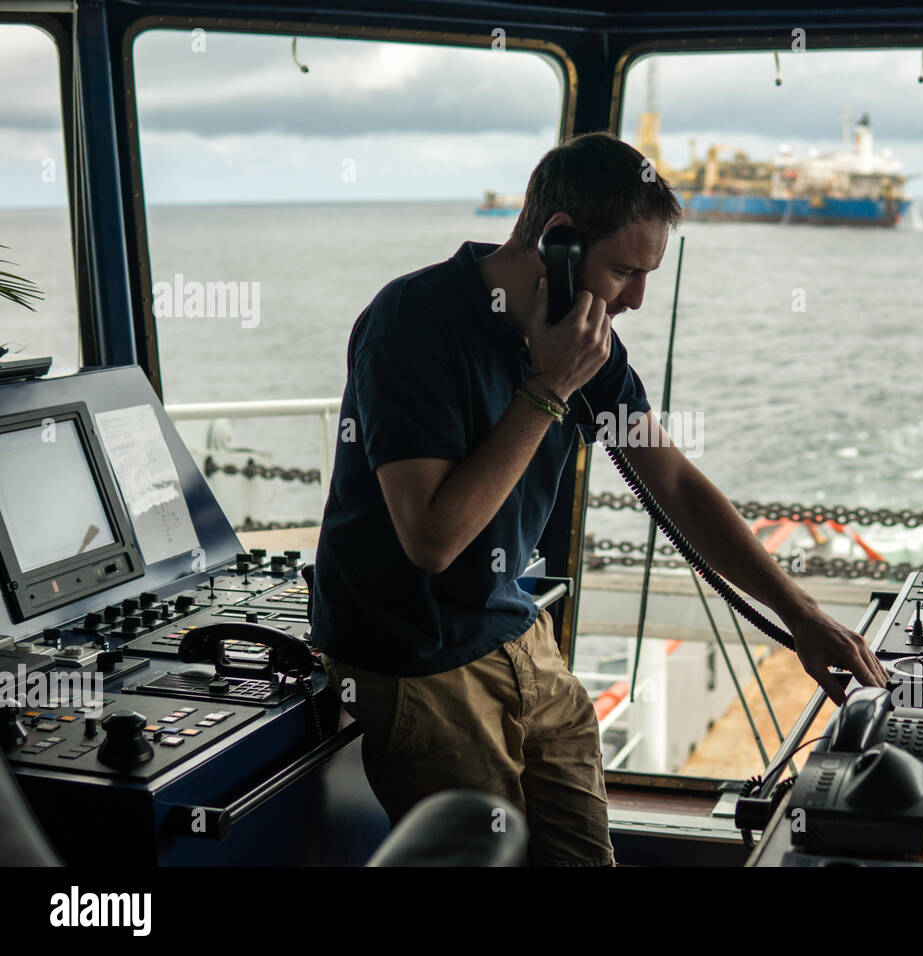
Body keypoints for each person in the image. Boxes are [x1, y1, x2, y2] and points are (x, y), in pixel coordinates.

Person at [311, 131, 889, 866]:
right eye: (624, 270)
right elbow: (432, 538)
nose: (638, 300)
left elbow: (671, 480)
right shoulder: (414, 322)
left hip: (514, 632)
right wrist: (548, 389)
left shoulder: (587, 340)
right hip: (415, 663)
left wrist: (802, 616)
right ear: (558, 241)